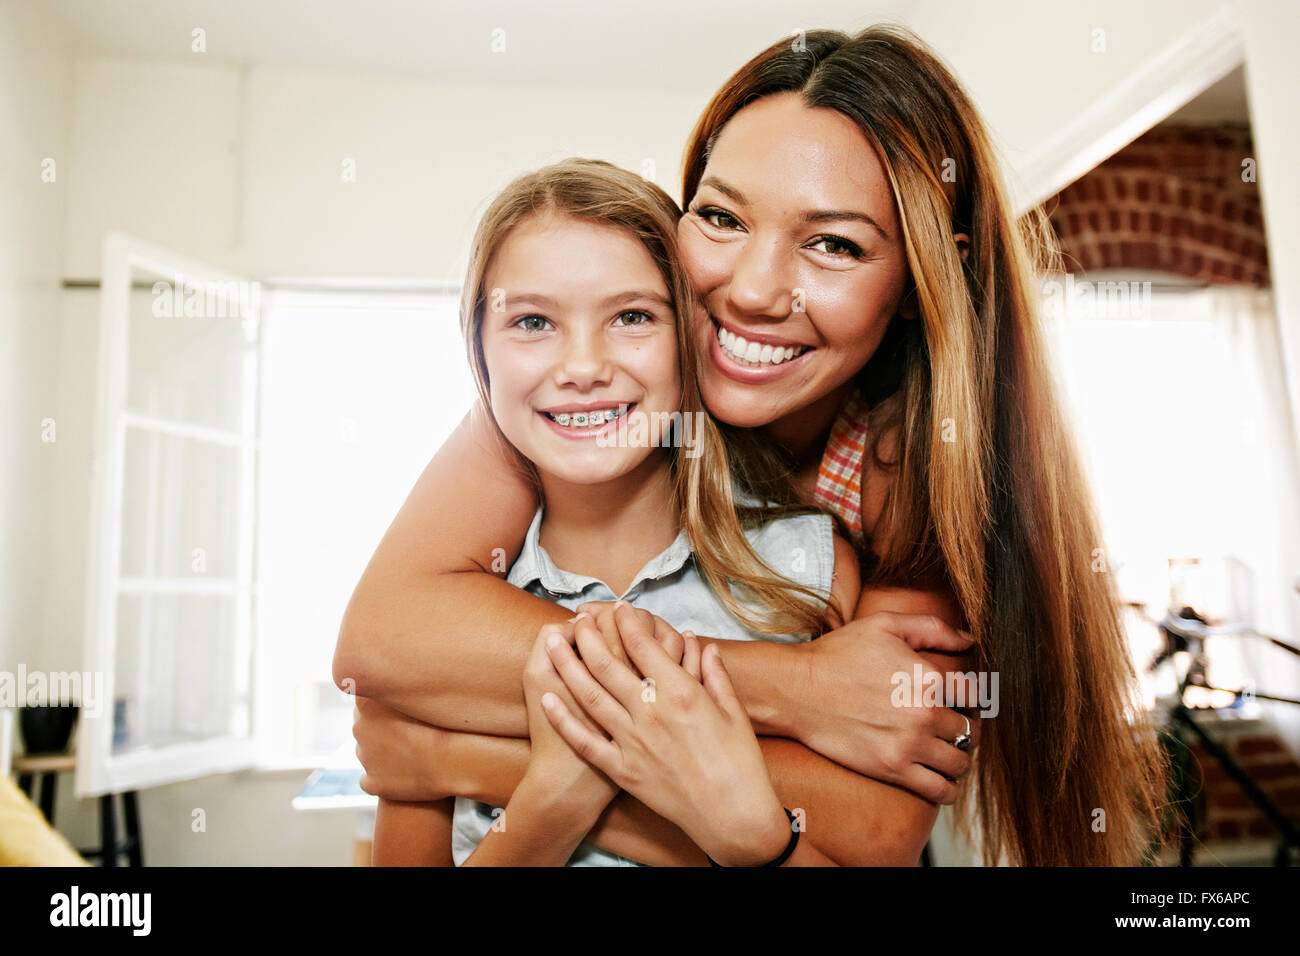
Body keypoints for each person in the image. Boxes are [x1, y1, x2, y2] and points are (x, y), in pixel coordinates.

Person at [339, 24, 1166, 866]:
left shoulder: (908, 475)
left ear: (924, 281)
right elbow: (385, 638)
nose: (755, 291)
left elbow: (872, 825)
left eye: (834, 244)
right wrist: (798, 691)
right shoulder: (598, 395)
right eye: (723, 217)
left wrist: (456, 757)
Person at [373, 158, 870, 865]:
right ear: (477, 350)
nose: (582, 366)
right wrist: (552, 801)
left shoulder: (808, 576)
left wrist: (744, 835)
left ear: (694, 339)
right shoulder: (439, 644)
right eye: (533, 320)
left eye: (632, 317)